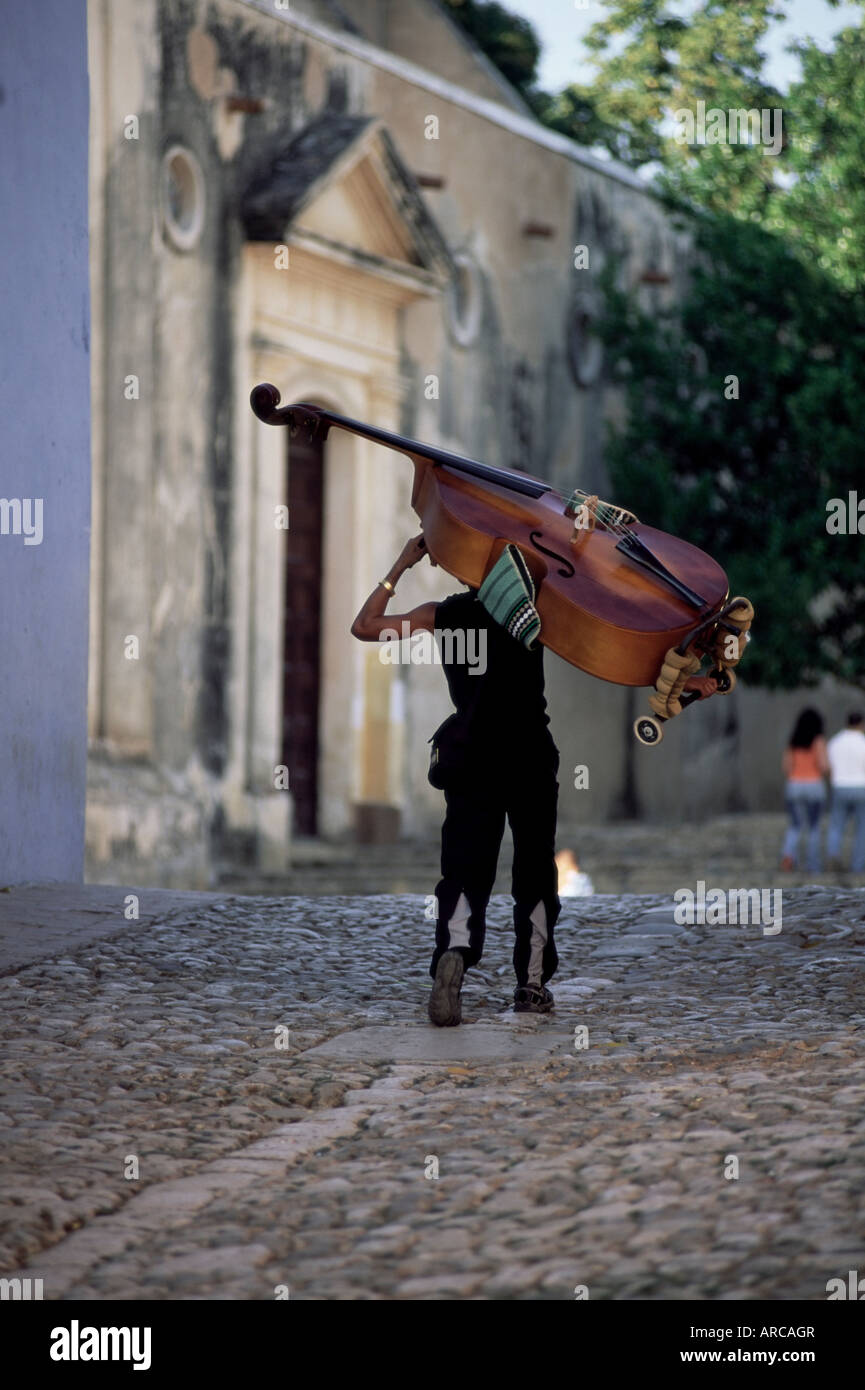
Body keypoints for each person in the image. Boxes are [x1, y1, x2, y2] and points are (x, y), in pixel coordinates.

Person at [352, 534, 718, 1026]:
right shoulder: (536, 615)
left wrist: (401, 563)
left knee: (463, 867)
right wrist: (682, 681)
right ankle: (530, 984)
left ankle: (454, 954)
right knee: (534, 873)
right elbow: (608, 654)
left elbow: (365, 627)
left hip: (471, 757)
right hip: (528, 756)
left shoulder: (442, 615)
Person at [780, 708, 829, 872]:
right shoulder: (818, 741)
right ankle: (813, 865)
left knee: (795, 825)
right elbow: (823, 765)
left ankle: (788, 855)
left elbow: (786, 767)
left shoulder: (793, 741)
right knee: (814, 827)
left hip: (794, 786)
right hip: (814, 786)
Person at [826, 712, 865, 873]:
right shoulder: (863, 742)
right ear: (861, 724)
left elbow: (828, 766)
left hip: (840, 786)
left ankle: (833, 854)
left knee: (836, 825)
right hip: (861, 787)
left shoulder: (835, 742)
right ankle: (858, 864)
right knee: (862, 829)